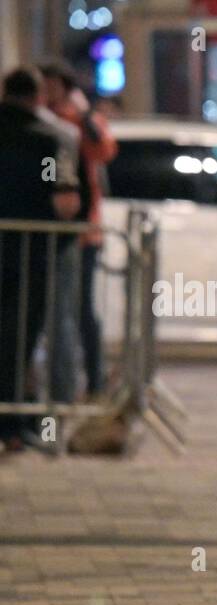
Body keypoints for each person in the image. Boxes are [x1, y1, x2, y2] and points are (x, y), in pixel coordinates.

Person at [0, 65, 80, 452]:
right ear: (38, 97)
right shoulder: (54, 139)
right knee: (20, 337)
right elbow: (65, 202)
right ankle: (13, 426)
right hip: (31, 252)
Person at [42, 62, 117, 399]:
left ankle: (94, 381)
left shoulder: (76, 122)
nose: (49, 92)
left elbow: (103, 150)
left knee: (81, 309)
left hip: (84, 232)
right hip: (46, 231)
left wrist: (85, 116)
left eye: (54, 85)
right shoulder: (40, 121)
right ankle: (58, 385)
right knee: (52, 312)